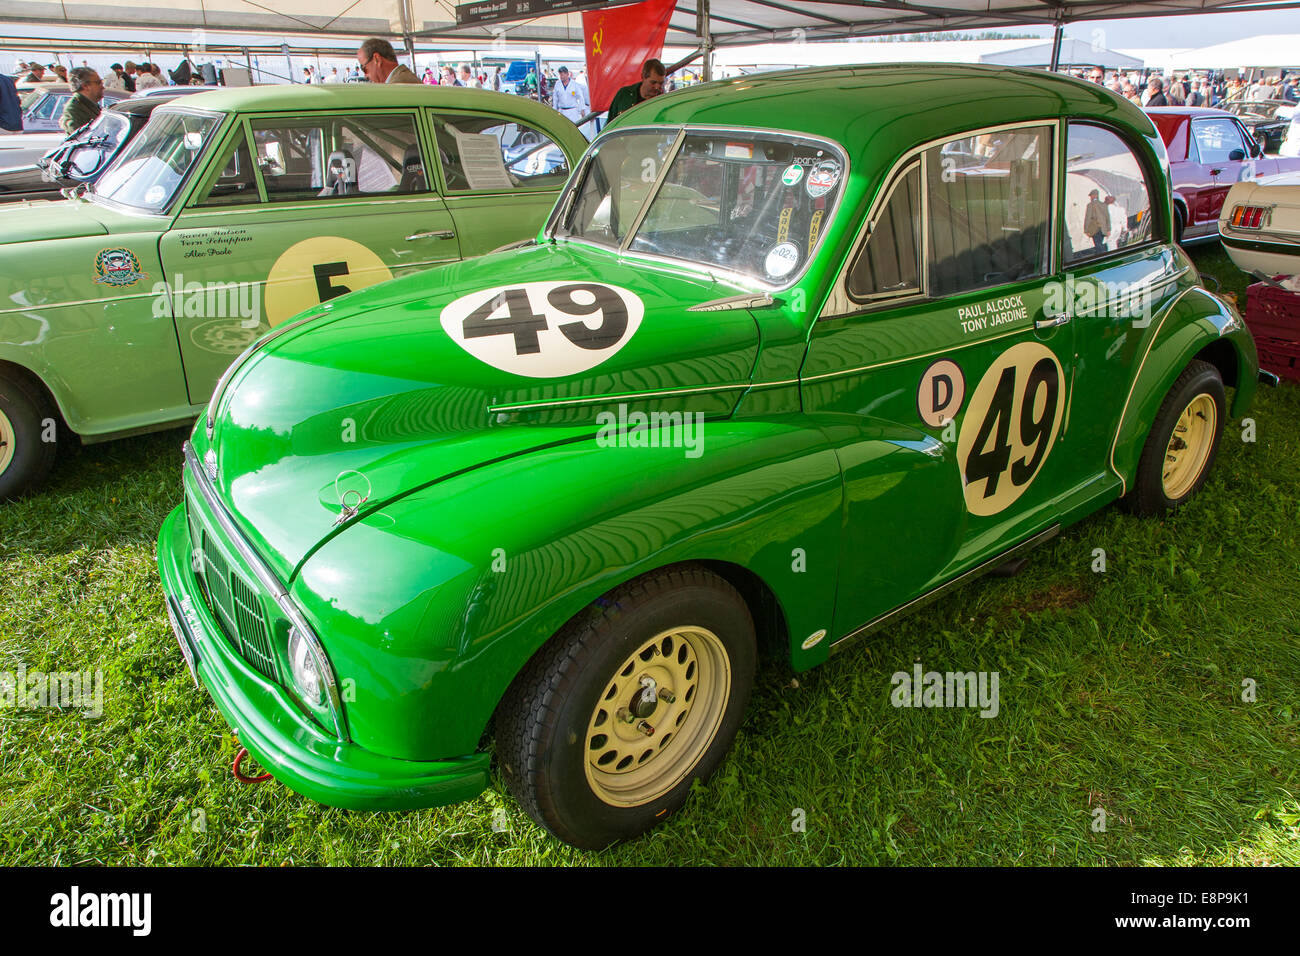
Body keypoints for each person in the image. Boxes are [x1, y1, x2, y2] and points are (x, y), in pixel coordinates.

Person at [61, 67, 104, 135]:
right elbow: (82, 138)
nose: (102, 87)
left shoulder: (90, 105)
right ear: (85, 86)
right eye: (98, 83)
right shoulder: (74, 110)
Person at [1084, 189, 1112, 253]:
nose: (1090, 197)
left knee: (1098, 245)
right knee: (1099, 243)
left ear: (1094, 196)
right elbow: (1107, 217)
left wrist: (1086, 230)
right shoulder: (1104, 205)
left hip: (1095, 228)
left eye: (1091, 196)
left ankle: (1102, 256)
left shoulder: (1090, 205)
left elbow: (1087, 218)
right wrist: (1108, 229)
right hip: (1103, 228)